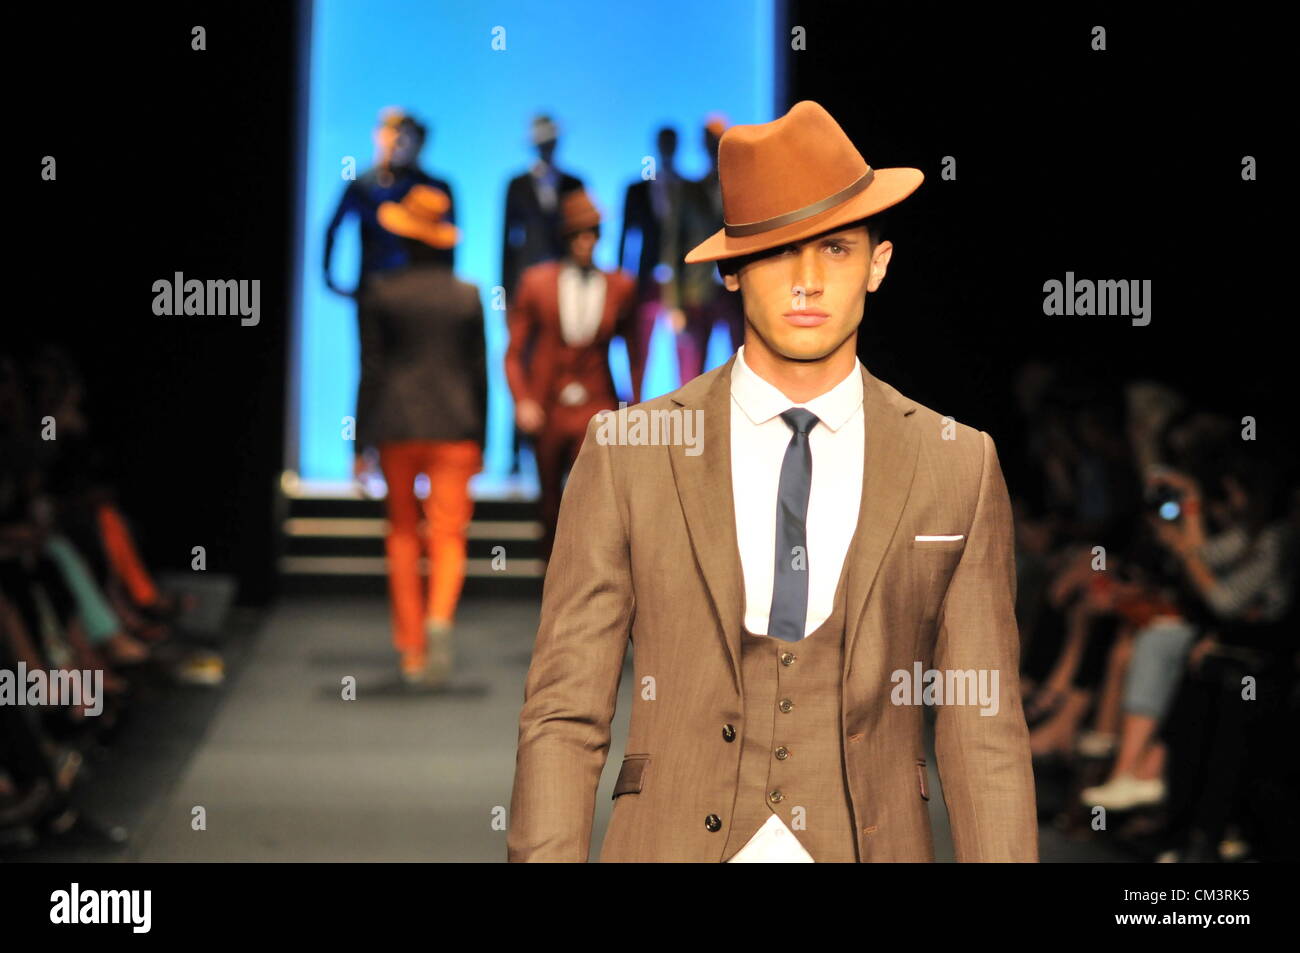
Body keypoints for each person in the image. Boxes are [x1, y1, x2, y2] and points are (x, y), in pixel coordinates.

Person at [507, 101, 1038, 862]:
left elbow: (982, 728)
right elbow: (565, 711)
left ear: (879, 264)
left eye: (835, 248)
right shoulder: (628, 452)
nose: (808, 281)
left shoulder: (958, 463)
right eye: (779, 251)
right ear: (730, 268)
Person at [353, 184, 486, 686]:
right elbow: (479, 374)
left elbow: (370, 370)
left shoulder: (382, 293)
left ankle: (412, 649)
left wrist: (357, 441)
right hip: (455, 426)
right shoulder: (467, 295)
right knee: (449, 533)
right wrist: (485, 441)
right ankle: (440, 618)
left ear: (405, 239)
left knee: (404, 534)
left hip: (396, 424)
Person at [504, 190, 638, 563]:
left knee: (596, 498)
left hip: (597, 404)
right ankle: (551, 581)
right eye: (579, 233)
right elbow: (513, 353)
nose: (586, 241)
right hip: (547, 405)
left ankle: (591, 581)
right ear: (566, 236)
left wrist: (635, 407)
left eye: (593, 232)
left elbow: (635, 353)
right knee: (549, 499)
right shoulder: (538, 283)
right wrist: (524, 400)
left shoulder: (620, 285)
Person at [502, 115, 588, 477]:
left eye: (551, 139)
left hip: (566, 285)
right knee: (522, 362)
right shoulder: (517, 185)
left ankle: (563, 445)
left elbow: (586, 229)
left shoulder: (574, 183)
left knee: (564, 360)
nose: (547, 145)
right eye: (541, 140)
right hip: (527, 288)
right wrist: (505, 294)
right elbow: (506, 242)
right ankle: (517, 449)